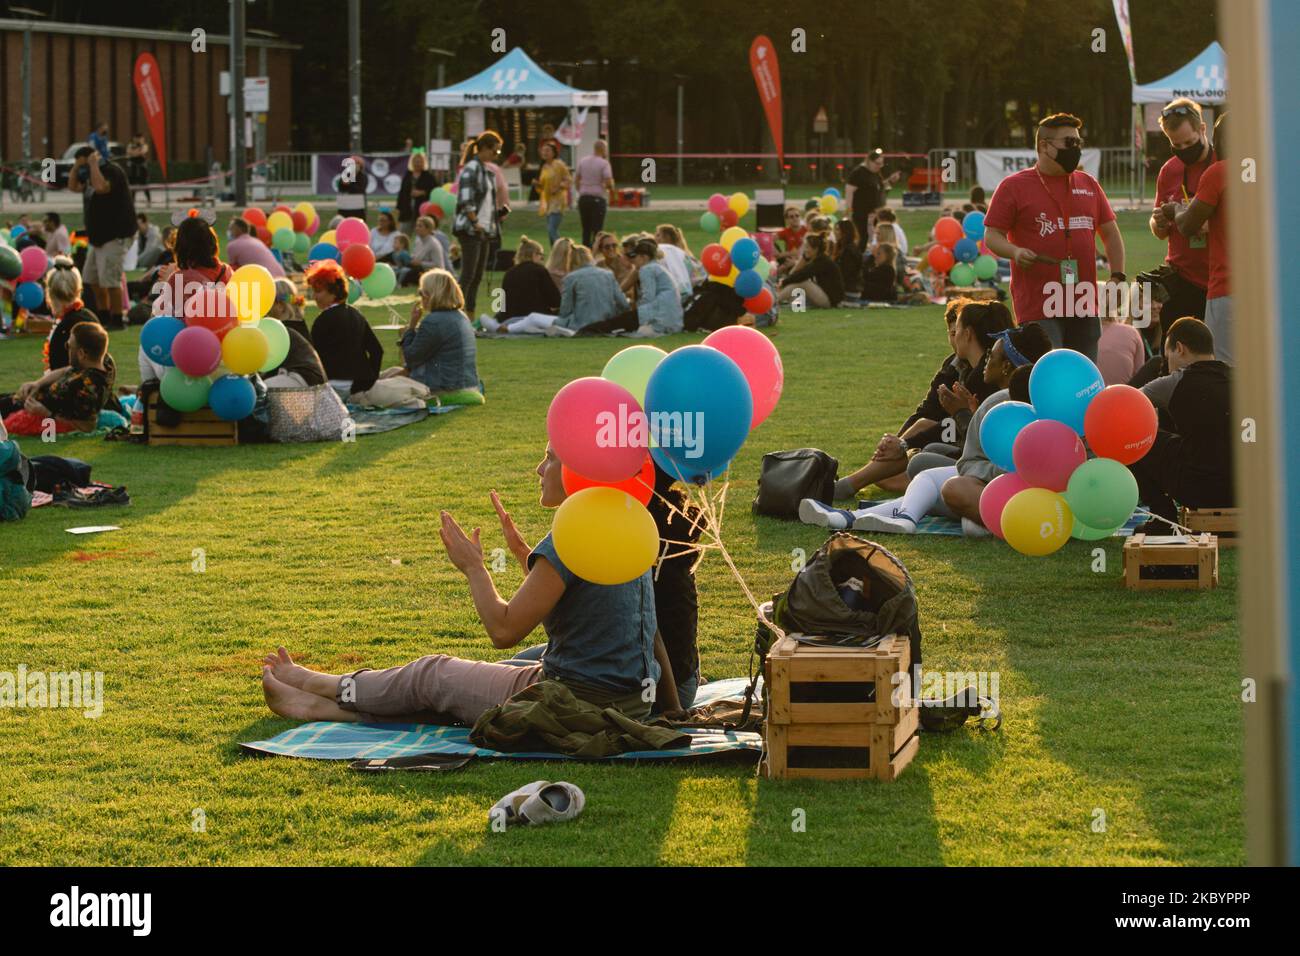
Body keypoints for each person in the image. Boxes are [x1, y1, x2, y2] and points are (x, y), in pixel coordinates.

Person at [259, 446, 663, 725]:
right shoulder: (625, 522)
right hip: (630, 701)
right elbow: (642, 628)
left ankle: (320, 688)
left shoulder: (571, 536)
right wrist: (668, 710)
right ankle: (333, 709)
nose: (539, 469)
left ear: (578, 469)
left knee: (433, 676)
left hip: (574, 702)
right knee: (513, 664)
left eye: (549, 458)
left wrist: (474, 569)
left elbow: (502, 629)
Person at [809, 325, 1053, 535]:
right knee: (928, 474)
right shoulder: (1048, 398)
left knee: (929, 475)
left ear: (1008, 367)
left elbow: (980, 461)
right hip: (1019, 496)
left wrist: (962, 414)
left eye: (993, 354)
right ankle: (853, 517)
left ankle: (882, 515)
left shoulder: (1000, 401)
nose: (987, 359)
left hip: (1009, 497)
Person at [824, 299, 1010, 502]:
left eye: (955, 331)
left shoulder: (988, 376)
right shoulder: (960, 366)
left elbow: (974, 432)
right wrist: (898, 443)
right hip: (967, 452)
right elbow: (929, 412)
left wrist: (905, 443)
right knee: (926, 447)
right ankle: (864, 480)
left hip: (985, 464)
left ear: (967, 334)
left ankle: (882, 485)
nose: (952, 338)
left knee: (920, 461)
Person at [983, 113, 1125, 361]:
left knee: (1084, 375)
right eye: (1069, 142)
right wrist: (1015, 251)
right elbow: (992, 235)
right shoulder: (1014, 186)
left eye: (1079, 143)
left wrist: (1118, 276)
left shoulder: (1088, 184)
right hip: (1039, 301)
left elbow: (1111, 234)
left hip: (1082, 299)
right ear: (1044, 146)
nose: (1077, 149)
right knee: (1051, 369)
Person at [1128, 317, 1233, 529]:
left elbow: (1124, 406)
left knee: (1132, 435)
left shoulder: (1176, 382)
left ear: (1179, 348)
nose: (1168, 366)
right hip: (1247, 490)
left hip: (1198, 489)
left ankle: (1162, 516)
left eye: (1168, 358)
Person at [1166, 113, 1230, 364]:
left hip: (1228, 287)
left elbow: (1188, 224)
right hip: (1271, 288)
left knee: (1223, 370)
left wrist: (1176, 210)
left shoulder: (1219, 172)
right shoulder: (1273, 170)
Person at [1149, 98, 1215, 336]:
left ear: (1203, 129)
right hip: (1180, 280)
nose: (1185, 149)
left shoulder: (1221, 165)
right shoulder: (1169, 170)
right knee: (1176, 357)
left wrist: (1190, 219)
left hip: (1218, 282)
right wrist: (1159, 221)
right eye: (1177, 145)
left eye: (1190, 142)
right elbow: (1158, 231)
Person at [2, 322, 113, 436]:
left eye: (69, 346)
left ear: (81, 353)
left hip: (29, 412)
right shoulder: (104, 361)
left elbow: (88, 426)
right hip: (29, 401)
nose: (67, 349)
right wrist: (37, 384)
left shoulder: (88, 388)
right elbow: (66, 370)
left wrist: (46, 413)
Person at [68, 145, 136, 331]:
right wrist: (76, 166)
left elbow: (101, 188)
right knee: (91, 279)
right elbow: (73, 186)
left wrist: (92, 164)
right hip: (98, 239)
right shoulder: (88, 173)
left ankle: (117, 319)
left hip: (116, 236)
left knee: (111, 280)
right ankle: (104, 314)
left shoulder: (112, 171)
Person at [390, 268, 481, 395]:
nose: (420, 297)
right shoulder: (461, 316)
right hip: (465, 383)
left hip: (443, 387)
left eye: (421, 293)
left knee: (378, 387)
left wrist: (411, 328)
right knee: (390, 373)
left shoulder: (433, 322)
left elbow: (411, 357)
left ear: (431, 294)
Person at [305, 259, 383, 396]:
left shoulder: (323, 320)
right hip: (360, 384)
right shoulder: (356, 314)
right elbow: (377, 350)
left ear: (333, 292)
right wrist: (370, 379)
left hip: (335, 385)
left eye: (318, 291)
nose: (314, 297)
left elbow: (312, 359)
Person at [453, 131, 505, 315]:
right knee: (467, 275)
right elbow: (466, 201)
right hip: (470, 229)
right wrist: (475, 222)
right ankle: (453, 314)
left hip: (484, 230)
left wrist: (497, 216)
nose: (496, 155)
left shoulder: (487, 171)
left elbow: (486, 204)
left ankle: (470, 315)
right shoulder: (471, 168)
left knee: (477, 277)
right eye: (495, 151)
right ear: (483, 148)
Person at [482, 237, 559, 331]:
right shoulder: (539, 270)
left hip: (510, 318)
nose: (542, 258)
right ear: (534, 254)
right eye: (540, 255)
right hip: (535, 318)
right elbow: (555, 301)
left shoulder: (509, 273)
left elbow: (503, 305)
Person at [262, 278, 327, 389]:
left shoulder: (282, 330)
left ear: (280, 306)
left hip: (300, 377)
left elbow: (274, 364)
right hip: (312, 380)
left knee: (261, 389)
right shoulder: (300, 325)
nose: (266, 311)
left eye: (269, 304)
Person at [42, 258, 99, 373]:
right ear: (78, 290)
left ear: (50, 293)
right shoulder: (89, 316)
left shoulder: (64, 328)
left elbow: (62, 371)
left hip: (73, 387)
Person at [628, 238, 684, 337]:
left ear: (644, 257)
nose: (633, 260)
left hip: (659, 318)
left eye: (635, 256)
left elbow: (648, 297)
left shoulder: (646, 269)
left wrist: (635, 308)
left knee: (619, 321)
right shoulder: (659, 267)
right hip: (673, 320)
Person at [846, 148, 901, 244]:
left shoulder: (875, 173)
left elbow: (880, 186)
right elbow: (849, 192)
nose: (879, 166)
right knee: (862, 240)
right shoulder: (858, 173)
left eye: (881, 164)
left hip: (875, 215)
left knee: (876, 241)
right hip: (861, 215)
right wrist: (849, 212)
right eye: (877, 163)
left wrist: (891, 180)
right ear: (868, 161)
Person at [777, 233, 843, 308]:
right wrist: (804, 258)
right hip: (825, 296)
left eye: (807, 247)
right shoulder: (817, 259)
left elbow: (801, 275)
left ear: (816, 249)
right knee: (797, 282)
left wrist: (783, 282)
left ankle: (775, 301)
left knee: (804, 283)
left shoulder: (822, 261)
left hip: (831, 301)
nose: (805, 250)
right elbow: (793, 274)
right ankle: (794, 306)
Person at [574, 139, 615, 247]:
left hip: (584, 198)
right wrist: (608, 188)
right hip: (597, 198)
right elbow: (608, 181)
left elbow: (577, 179)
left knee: (586, 228)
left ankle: (585, 249)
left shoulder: (583, 161)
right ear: (603, 149)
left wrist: (581, 189)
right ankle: (595, 250)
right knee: (597, 229)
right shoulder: (604, 163)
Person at [536, 142, 572, 246]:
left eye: (547, 150)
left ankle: (564, 249)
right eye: (543, 150)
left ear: (553, 152)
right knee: (550, 232)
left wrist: (559, 187)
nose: (544, 153)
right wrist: (537, 185)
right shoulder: (544, 167)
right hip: (547, 202)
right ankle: (554, 256)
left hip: (557, 202)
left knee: (552, 229)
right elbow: (543, 186)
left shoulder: (559, 164)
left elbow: (568, 180)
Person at [1097, 314, 1147, 386]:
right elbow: (1140, 377)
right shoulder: (1132, 333)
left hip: (1089, 395)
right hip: (1124, 394)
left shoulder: (1079, 335)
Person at [397, 150, 437, 234]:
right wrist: (399, 208)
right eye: (415, 162)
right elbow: (402, 192)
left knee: (422, 236)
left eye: (419, 162)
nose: (417, 164)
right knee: (403, 235)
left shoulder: (428, 176)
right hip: (407, 210)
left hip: (422, 211)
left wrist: (423, 192)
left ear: (423, 163)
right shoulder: (407, 175)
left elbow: (435, 191)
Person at [834, 219, 863, 300]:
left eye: (838, 229)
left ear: (845, 231)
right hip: (844, 289)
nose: (835, 232)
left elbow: (845, 274)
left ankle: (797, 306)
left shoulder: (849, 251)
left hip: (848, 292)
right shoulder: (842, 248)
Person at [336, 154, 367, 222]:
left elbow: (359, 190)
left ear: (360, 165)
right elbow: (341, 188)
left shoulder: (363, 177)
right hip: (345, 207)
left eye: (356, 164)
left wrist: (350, 184)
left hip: (358, 208)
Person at [126, 133, 151, 205]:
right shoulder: (130, 145)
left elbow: (143, 152)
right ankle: (132, 201)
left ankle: (149, 200)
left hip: (142, 168)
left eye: (140, 138)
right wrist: (137, 152)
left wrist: (135, 152)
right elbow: (129, 152)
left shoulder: (144, 145)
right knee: (132, 185)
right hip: (133, 168)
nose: (138, 140)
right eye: (136, 138)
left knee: (145, 185)